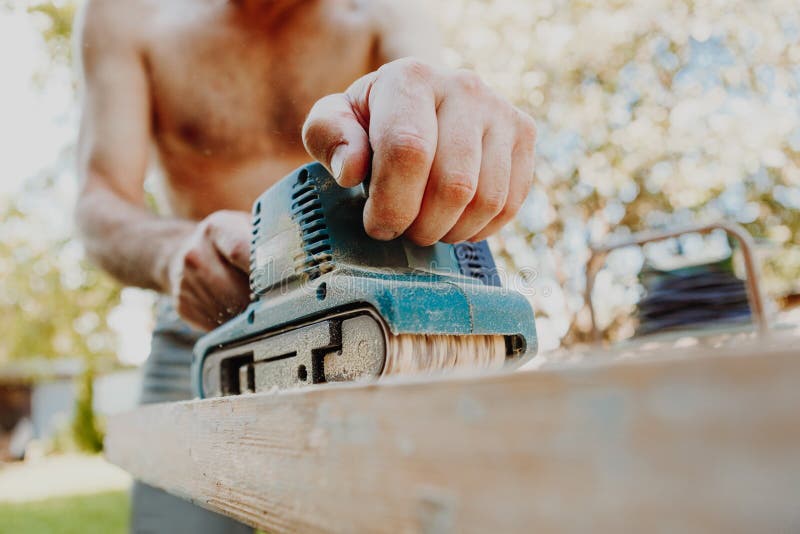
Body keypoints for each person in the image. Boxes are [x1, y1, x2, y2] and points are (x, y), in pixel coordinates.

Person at [74, 0, 537, 532]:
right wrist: (172, 254)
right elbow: (99, 201)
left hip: (369, 335)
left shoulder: (387, 12)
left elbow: (432, 101)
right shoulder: (124, 13)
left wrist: (450, 120)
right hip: (203, 331)